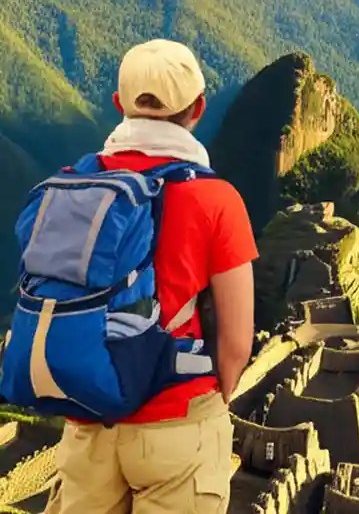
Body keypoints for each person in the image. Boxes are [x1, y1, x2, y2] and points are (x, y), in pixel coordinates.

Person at [43, 39, 257, 514]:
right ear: (198, 108)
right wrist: (208, 403)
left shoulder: (76, 184)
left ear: (119, 105)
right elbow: (237, 341)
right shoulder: (217, 199)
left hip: (89, 424)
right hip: (178, 424)